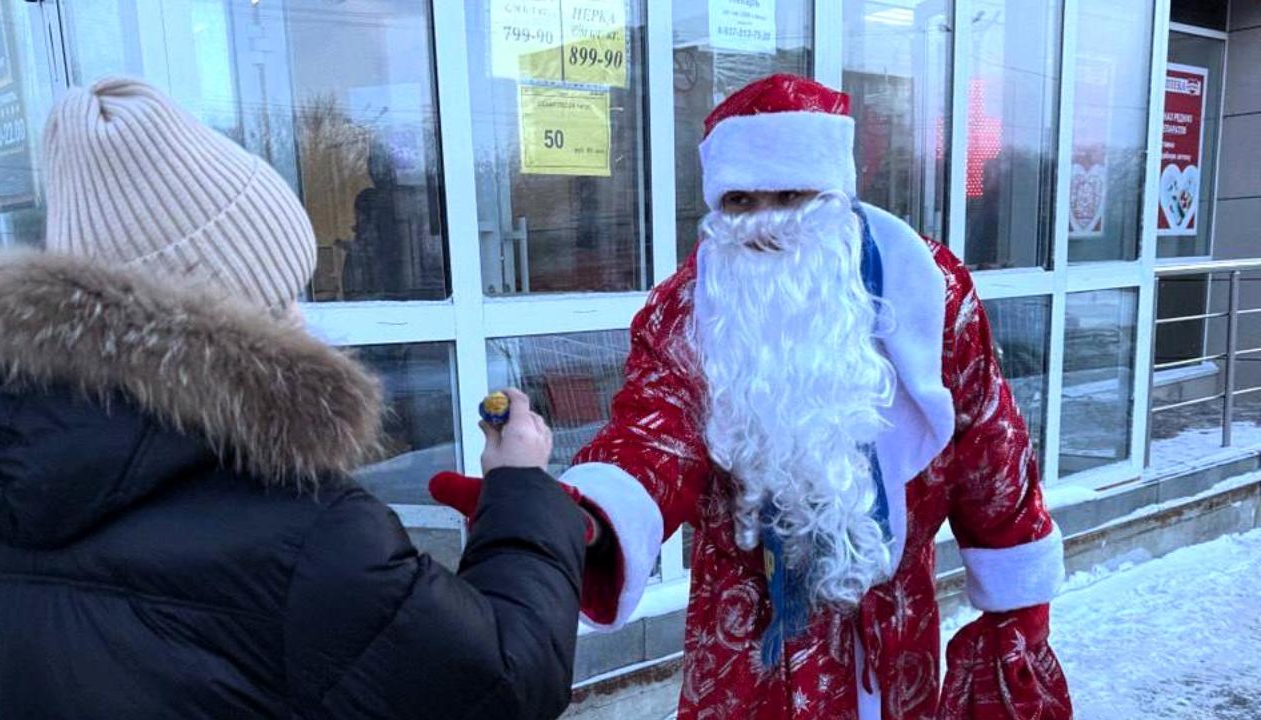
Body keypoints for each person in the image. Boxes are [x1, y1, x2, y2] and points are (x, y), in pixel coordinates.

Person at [432, 75, 1073, 719]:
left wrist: (1020, 606)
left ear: (833, 193)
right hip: (745, 636)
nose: (766, 224)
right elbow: (653, 435)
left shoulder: (927, 292)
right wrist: (566, 515)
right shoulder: (687, 308)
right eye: (741, 201)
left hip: (890, 635)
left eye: (790, 195)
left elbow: (992, 446)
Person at [0, 77, 586, 720]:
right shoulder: (307, 535)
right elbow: (504, 688)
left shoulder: (3, 501)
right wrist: (522, 488)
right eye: (275, 301)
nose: (299, 319)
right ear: (223, 330)